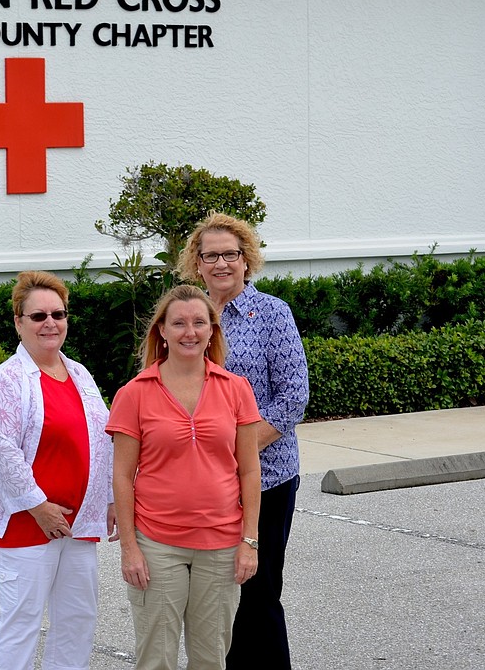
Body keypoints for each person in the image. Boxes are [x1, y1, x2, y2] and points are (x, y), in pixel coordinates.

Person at [177, 212, 310, 670]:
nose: (220, 263)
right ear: (196, 262)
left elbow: (293, 397)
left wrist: (241, 453)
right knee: (215, 597)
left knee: (259, 590)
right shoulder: (189, 315)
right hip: (207, 486)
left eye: (229, 254)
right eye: (210, 255)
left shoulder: (272, 313)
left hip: (268, 479)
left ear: (246, 260)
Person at [107, 283, 262, 670]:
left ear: (212, 330)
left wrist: (249, 542)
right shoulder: (134, 393)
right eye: (178, 323)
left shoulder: (236, 389)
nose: (189, 332)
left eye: (198, 322)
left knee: (211, 660)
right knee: (155, 659)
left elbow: (250, 469)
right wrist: (130, 548)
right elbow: (122, 477)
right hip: (157, 545)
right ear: (162, 330)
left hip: (222, 545)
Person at [0, 270, 116, 670]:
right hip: (26, 525)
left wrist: (109, 499)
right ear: (19, 322)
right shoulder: (6, 380)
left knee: (77, 622)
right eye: (38, 316)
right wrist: (38, 506)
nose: (50, 323)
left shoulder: (80, 374)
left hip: (77, 524)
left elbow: (102, 441)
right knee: (21, 625)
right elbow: (0, 450)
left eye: (58, 313)